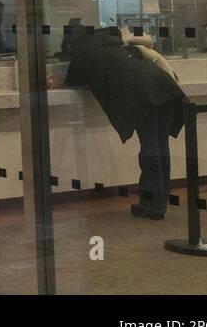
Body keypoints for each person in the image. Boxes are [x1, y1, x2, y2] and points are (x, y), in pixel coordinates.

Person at [64, 26, 187, 220]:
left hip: (145, 97)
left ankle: (153, 204)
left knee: (150, 148)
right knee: (160, 145)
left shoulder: (84, 52)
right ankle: (160, 200)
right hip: (165, 88)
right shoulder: (117, 46)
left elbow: (71, 80)